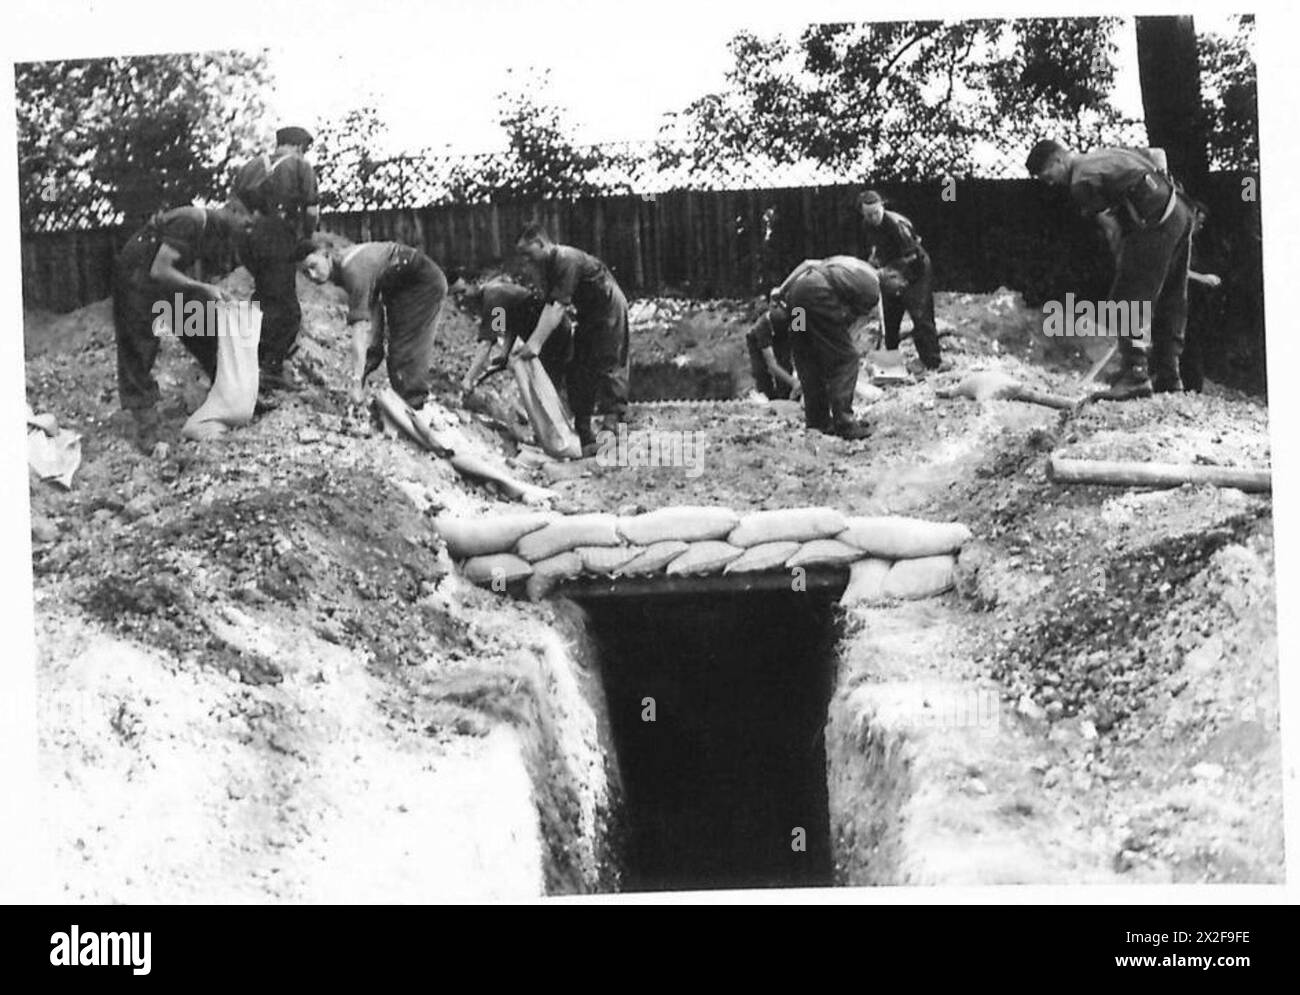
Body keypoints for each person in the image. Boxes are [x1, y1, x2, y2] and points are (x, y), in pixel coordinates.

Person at [1026, 139, 1194, 399]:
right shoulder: (1108, 154)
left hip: (1153, 221)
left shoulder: (1081, 181)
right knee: (1171, 297)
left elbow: (1111, 228)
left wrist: (1124, 262)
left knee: (1125, 299)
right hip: (1180, 211)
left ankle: (1135, 375)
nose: (1050, 182)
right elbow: (1158, 153)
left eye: (1047, 175)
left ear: (1058, 160)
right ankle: (1169, 378)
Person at [112, 201, 254, 452]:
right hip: (136, 275)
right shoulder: (193, 220)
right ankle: (146, 426)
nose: (247, 230)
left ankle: (228, 393)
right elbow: (160, 269)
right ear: (233, 211)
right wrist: (203, 288)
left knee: (198, 324)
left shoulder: (216, 232)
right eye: (246, 223)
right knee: (139, 343)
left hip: (156, 278)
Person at [514, 224, 630, 454]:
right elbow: (550, 306)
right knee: (578, 368)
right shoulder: (547, 267)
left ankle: (612, 430)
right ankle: (585, 435)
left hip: (609, 308)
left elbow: (557, 307)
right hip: (587, 314)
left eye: (528, 254)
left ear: (541, 243)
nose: (525, 261)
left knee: (610, 363)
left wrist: (535, 343)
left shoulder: (565, 259)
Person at [303, 242, 449, 409]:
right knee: (392, 350)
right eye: (306, 273)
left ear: (325, 254)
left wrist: (356, 382)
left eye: (313, 266)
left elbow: (360, 330)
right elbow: (373, 307)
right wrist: (371, 355)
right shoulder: (342, 267)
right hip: (400, 285)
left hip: (422, 284)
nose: (312, 275)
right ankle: (402, 406)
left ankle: (414, 409)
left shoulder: (353, 270)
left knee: (404, 351)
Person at [231, 125, 320, 392]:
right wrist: (306, 237)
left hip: (247, 239)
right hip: (277, 236)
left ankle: (251, 360)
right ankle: (267, 370)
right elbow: (312, 209)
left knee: (265, 296)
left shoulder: (249, 167)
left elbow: (234, 208)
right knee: (286, 309)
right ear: (298, 146)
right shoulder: (299, 166)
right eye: (304, 149)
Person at [775, 255, 878, 439]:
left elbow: (807, 263)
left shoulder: (843, 264)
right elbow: (849, 324)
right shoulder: (872, 289)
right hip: (817, 295)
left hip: (797, 296)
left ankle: (817, 421)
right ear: (891, 275)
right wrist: (841, 347)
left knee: (805, 353)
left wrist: (782, 291)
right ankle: (845, 423)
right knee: (846, 358)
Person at [856, 190, 942, 371]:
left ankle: (932, 362)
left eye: (876, 213)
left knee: (920, 316)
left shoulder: (897, 224)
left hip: (916, 270)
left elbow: (912, 256)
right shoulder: (867, 225)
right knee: (889, 318)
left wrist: (888, 270)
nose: (873, 218)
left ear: (882, 207)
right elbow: (874, 246)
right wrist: (874, 258)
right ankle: (890, 364)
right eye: (868, 215)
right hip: (890, 270)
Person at [459, 276, 573, 397]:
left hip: (554, 329)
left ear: (475, 283)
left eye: (462, 292)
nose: (461, 297)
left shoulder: (493, 298)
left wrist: (468, 379)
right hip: (554, 327)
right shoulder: (496, 293)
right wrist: (504, 354)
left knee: (548, 383)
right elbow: (510, 325)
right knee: (547, 382)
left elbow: (486, 344)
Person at [745, 291, 800, 401]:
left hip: (784, 337)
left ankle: (787, 395)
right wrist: (794, 382)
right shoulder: (762, 326)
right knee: (761, 373)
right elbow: (772, 364)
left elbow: (802, 345)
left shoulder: (798, 314)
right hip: (758, 340)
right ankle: (767, 396)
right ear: (771, 307)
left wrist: (801, 376)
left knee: (786, 368)